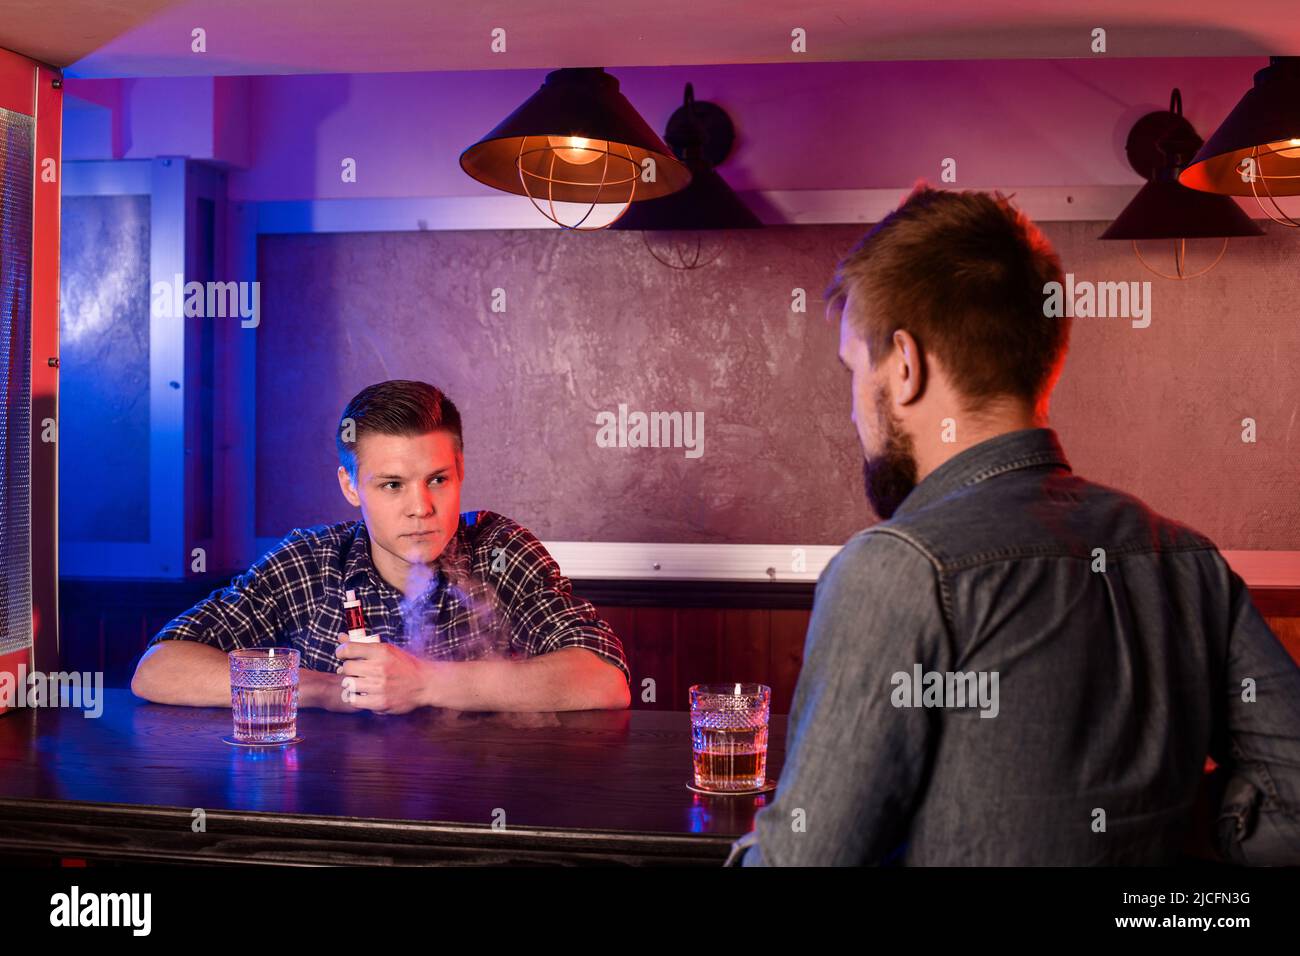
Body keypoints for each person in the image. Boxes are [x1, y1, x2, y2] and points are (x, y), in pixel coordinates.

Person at [727, 186, 1300, 865]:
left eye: (856, 371)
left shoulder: (897, 569)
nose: (854, 413)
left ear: (905, 366)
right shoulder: (1186, 557)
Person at [131, 380, 630, 714]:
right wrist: (328, 690)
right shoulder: (309, 562)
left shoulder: (502, 549)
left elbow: (604, 679)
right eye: (392, 485)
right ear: (350, 486)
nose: (421, 507)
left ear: (461, 472)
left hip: (483, 814)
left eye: (438, 479)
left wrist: (427, 683)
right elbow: (158, 669)